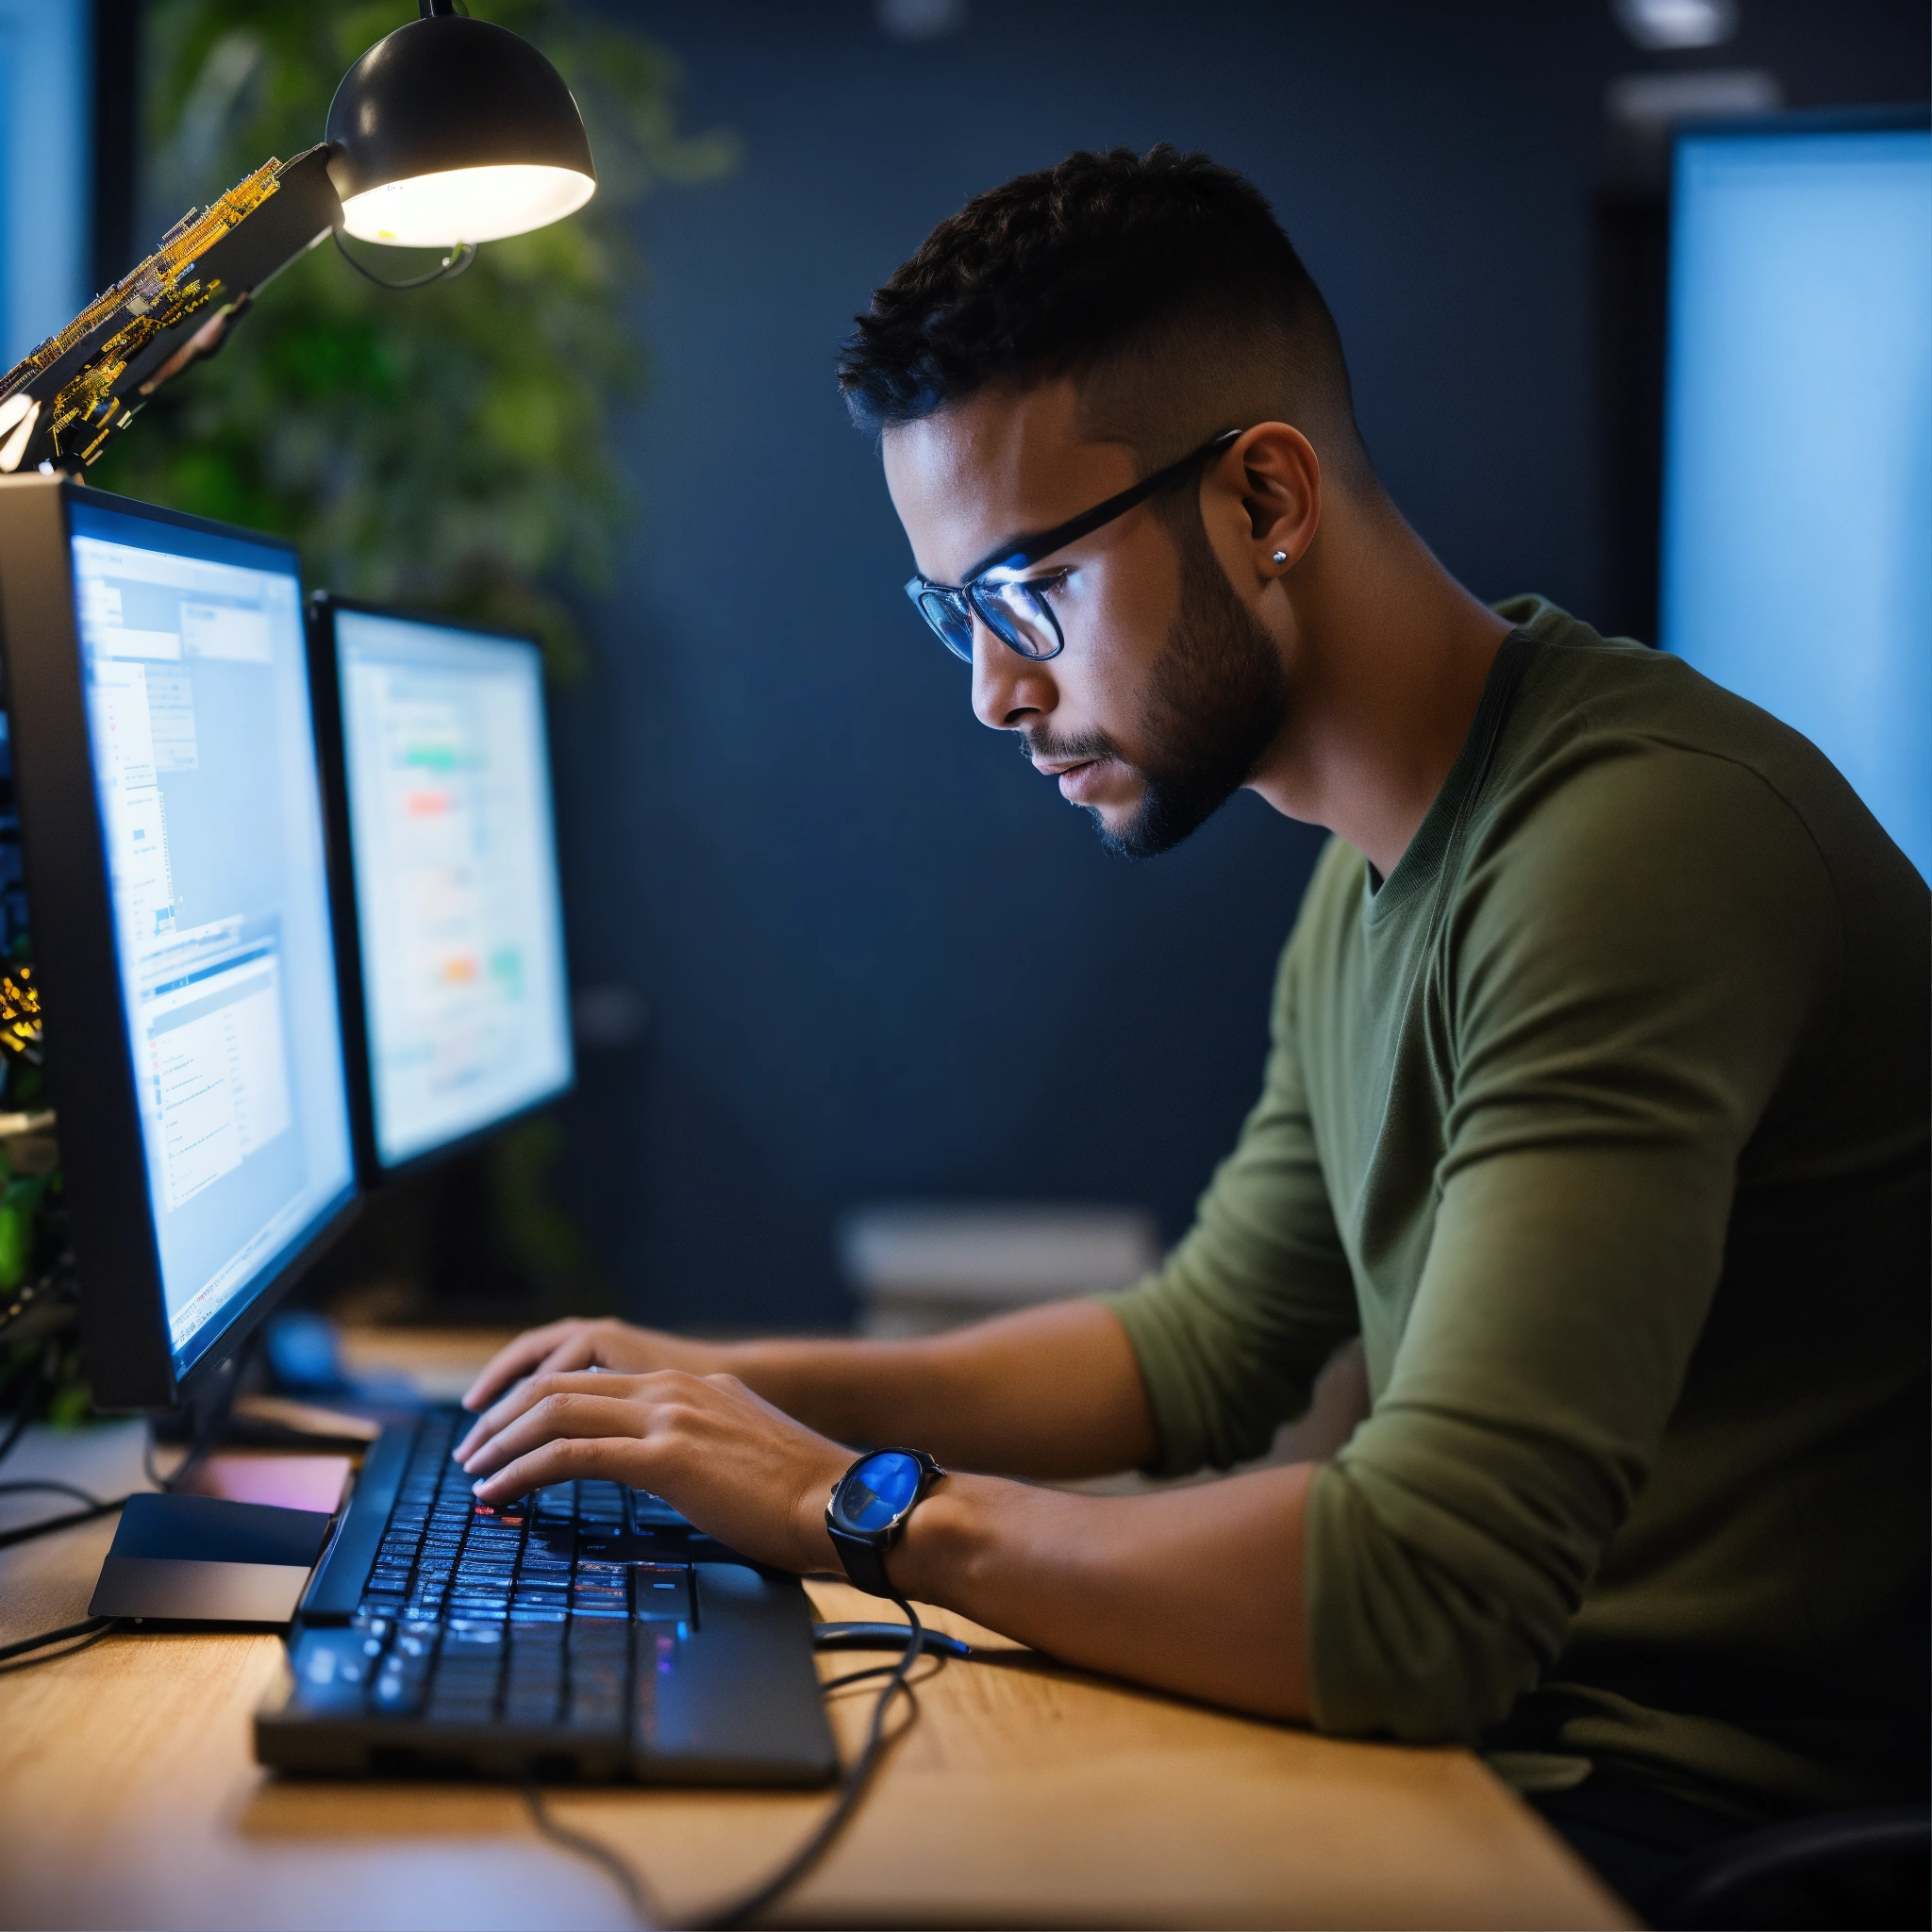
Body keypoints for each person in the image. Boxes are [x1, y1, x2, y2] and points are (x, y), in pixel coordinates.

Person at [455, 147, 1928, 1908]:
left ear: (1265, 500)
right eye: (955, 613)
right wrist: (719, 1399)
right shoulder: (1381, 862)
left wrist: (850, 1503)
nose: (995, 690)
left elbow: (1431, 1593)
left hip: (1683, 1840)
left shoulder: (1635, 852)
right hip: (1512, 1763)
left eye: (1029, 592)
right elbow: (1205, 1344)